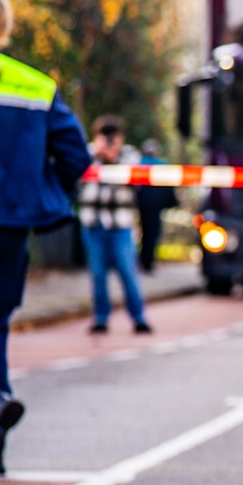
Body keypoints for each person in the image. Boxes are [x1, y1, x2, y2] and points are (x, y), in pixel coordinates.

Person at [0, 0, 90, 474]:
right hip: (12, 229)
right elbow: (76, 157)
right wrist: (40, 192)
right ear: (6, 27)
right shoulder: (36, 86)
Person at [76, 116, 152, 335]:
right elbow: (75, 179)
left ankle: (138, 317)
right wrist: (98, 156)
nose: (109, 142)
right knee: (98, 273)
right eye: (104, 137)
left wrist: (114, 159)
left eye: (113, 137)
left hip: (121, 225)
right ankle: (100, 318)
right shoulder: (87, 154)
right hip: (93, 223)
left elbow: (137, 183)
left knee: (127, 271)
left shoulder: (129, 156)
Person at [134, 137, 177, 274]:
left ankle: (144, 260)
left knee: (145, 232)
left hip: (143, 206)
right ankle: (147, 261)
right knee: (152, 233)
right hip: (154, 207)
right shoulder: (162, 165)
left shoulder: (140, 164)